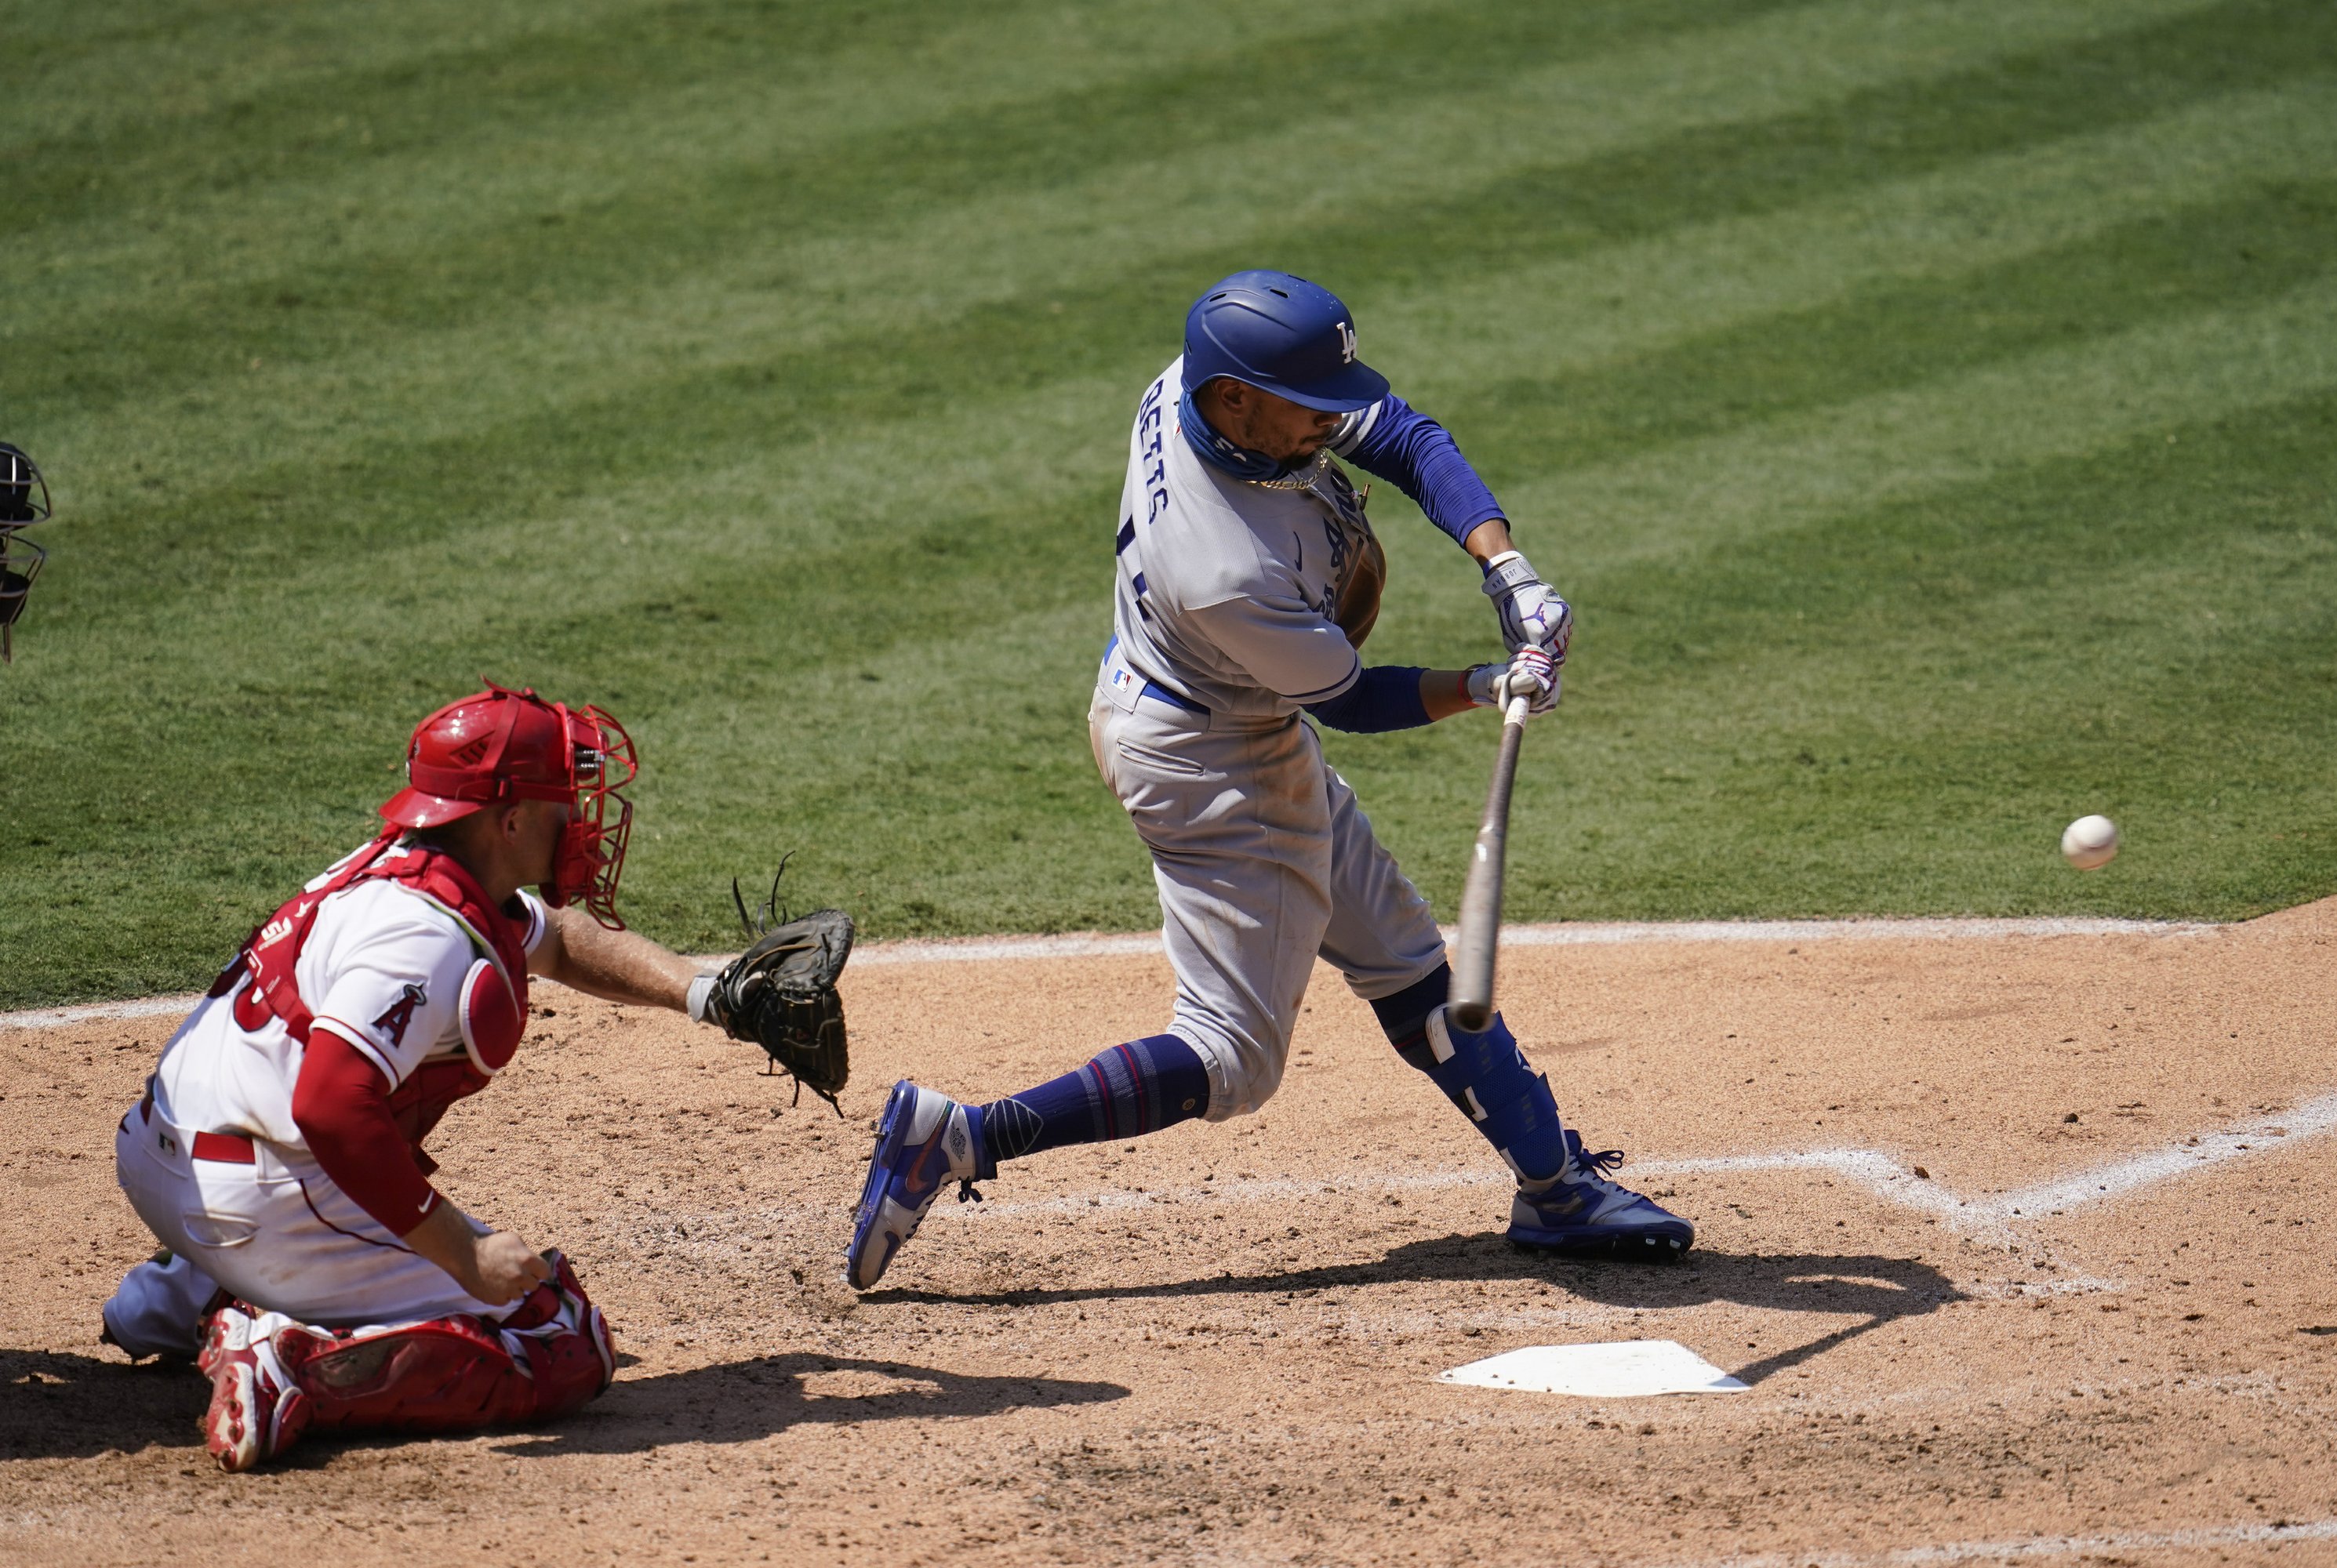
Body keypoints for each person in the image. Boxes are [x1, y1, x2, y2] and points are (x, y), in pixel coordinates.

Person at [847, 271, 1693, 1290]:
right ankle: (958, 1138)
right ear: (1236, 400)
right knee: (1232, 1061)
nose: (1331, 422)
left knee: (1399, 953)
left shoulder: (1200, 383)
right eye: (1311, 407)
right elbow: (1348, 701)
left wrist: (1503, 568)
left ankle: (1555, 1187)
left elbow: (1406, 436)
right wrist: (1487, 682)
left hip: (1197, 705)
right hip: (1213, 763)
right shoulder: (1223, 565)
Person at [104, 684, 747, 1472]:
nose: (578, 818)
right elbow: (333, 1107)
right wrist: (460, 1253)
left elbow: (565, 941)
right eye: (560, 800)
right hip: (259, 1196)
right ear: (508, 820)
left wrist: (709, 992)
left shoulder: (419, 869)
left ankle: (185, 1292)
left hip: (170, 1161)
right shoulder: (424, 935)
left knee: (342, 1121)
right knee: (558, 1337)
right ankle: (286, 1361)